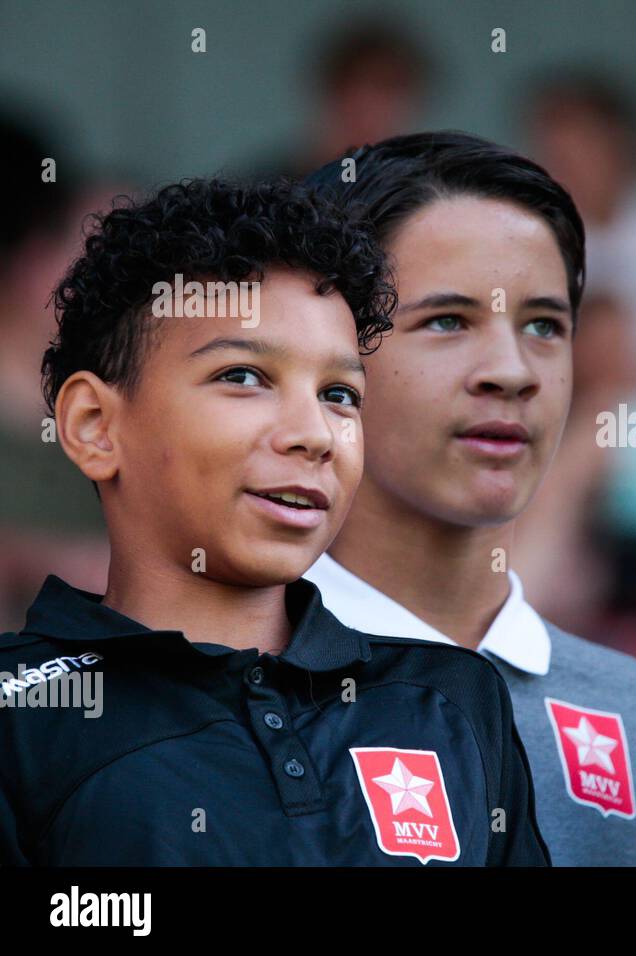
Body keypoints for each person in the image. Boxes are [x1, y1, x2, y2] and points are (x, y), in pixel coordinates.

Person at [0, 177, 549, 866]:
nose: (313, 433)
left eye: (340, 394)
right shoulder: (20, 716)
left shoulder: (452, 699)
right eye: (244, 377)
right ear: (95, 426)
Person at [302, 132, 636, 865]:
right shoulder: (212, 697)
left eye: (545, 326)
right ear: (326, 359)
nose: (513, 372)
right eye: (448, 321)